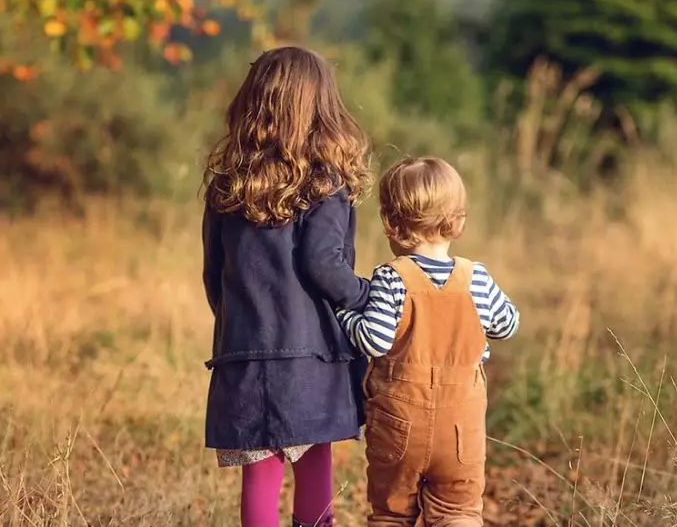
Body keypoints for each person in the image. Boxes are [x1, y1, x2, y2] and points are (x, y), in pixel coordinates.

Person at [201, 46, 372, 527]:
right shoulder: (325, 183)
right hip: (311, 359)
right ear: (322, 108)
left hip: (245, 353)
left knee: (259, 477)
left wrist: (241, 326)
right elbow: (324, 265)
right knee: (315, 466)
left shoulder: (226, 186)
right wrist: (366, 297)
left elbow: (214, 275)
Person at [337, 157, 520, 527]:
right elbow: (508, 324)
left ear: (390, 222)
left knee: (391, 514)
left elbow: (373, 339)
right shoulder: (476, 278)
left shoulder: (392, 277)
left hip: (399, 422)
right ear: (459, 220)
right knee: (460, 512)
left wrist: (342, 315)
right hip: (460, 425)